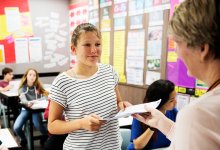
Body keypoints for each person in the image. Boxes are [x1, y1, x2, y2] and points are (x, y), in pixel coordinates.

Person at [134, 0, 220, 149]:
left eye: (178, 43)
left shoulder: (197, 114)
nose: (178, 54)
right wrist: (164, 124)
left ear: (202, 48)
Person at [48, 23, 130, 150]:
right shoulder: (62, 82)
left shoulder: (110, 71)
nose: (94, 50)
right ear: (73, 49)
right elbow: (52, 126)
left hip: (113, 147)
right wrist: (81, 123)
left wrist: (123, 106)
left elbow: (118, 103)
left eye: (97, 44)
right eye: (87, 44)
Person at [127, 79, 178, 150]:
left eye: (175, 98)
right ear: (161, 102)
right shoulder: (141, 114)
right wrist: (153, 127)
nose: (176, 102)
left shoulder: (173, 112)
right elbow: (137, 146)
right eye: (171, 100)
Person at [13, 68, 49, 147]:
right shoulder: (22, 88)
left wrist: (36, 100)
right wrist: (28, 103)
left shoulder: (38, 86)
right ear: (26, 76)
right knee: (16, 127)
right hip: (26, 110)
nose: (32, 77)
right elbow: (23, 100)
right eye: (30, 75)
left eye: (34, 75)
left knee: (38, 125)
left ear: (36, 77)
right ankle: (23, 139)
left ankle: (46, 136)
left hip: (36, 109)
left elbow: (46, 97)